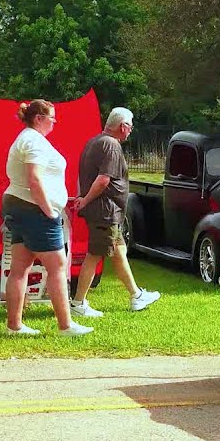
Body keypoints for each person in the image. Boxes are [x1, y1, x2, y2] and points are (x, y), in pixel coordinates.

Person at [0, 99, 92, 336]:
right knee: (58, 266)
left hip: (18, 206)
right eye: (51, 117)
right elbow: (34, 179)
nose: (55, 122)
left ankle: (15, 325)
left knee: (20, 267)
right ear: (38, 118)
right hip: (34, 209)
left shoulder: (28, 139)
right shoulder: (33, 141)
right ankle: (65, 325)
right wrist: (49, 210)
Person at [67, 107, 161, 315]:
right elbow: (103, 180)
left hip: (106, 211)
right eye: (130, 127)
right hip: (105, 211)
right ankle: (78, 303)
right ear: (123, 126)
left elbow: (81, 175)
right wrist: (85, 200)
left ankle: (136, 296)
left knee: (119, 251)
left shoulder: (94, 141)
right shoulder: (111, 145)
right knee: (95, 254)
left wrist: (82, 197)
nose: (131, 131)